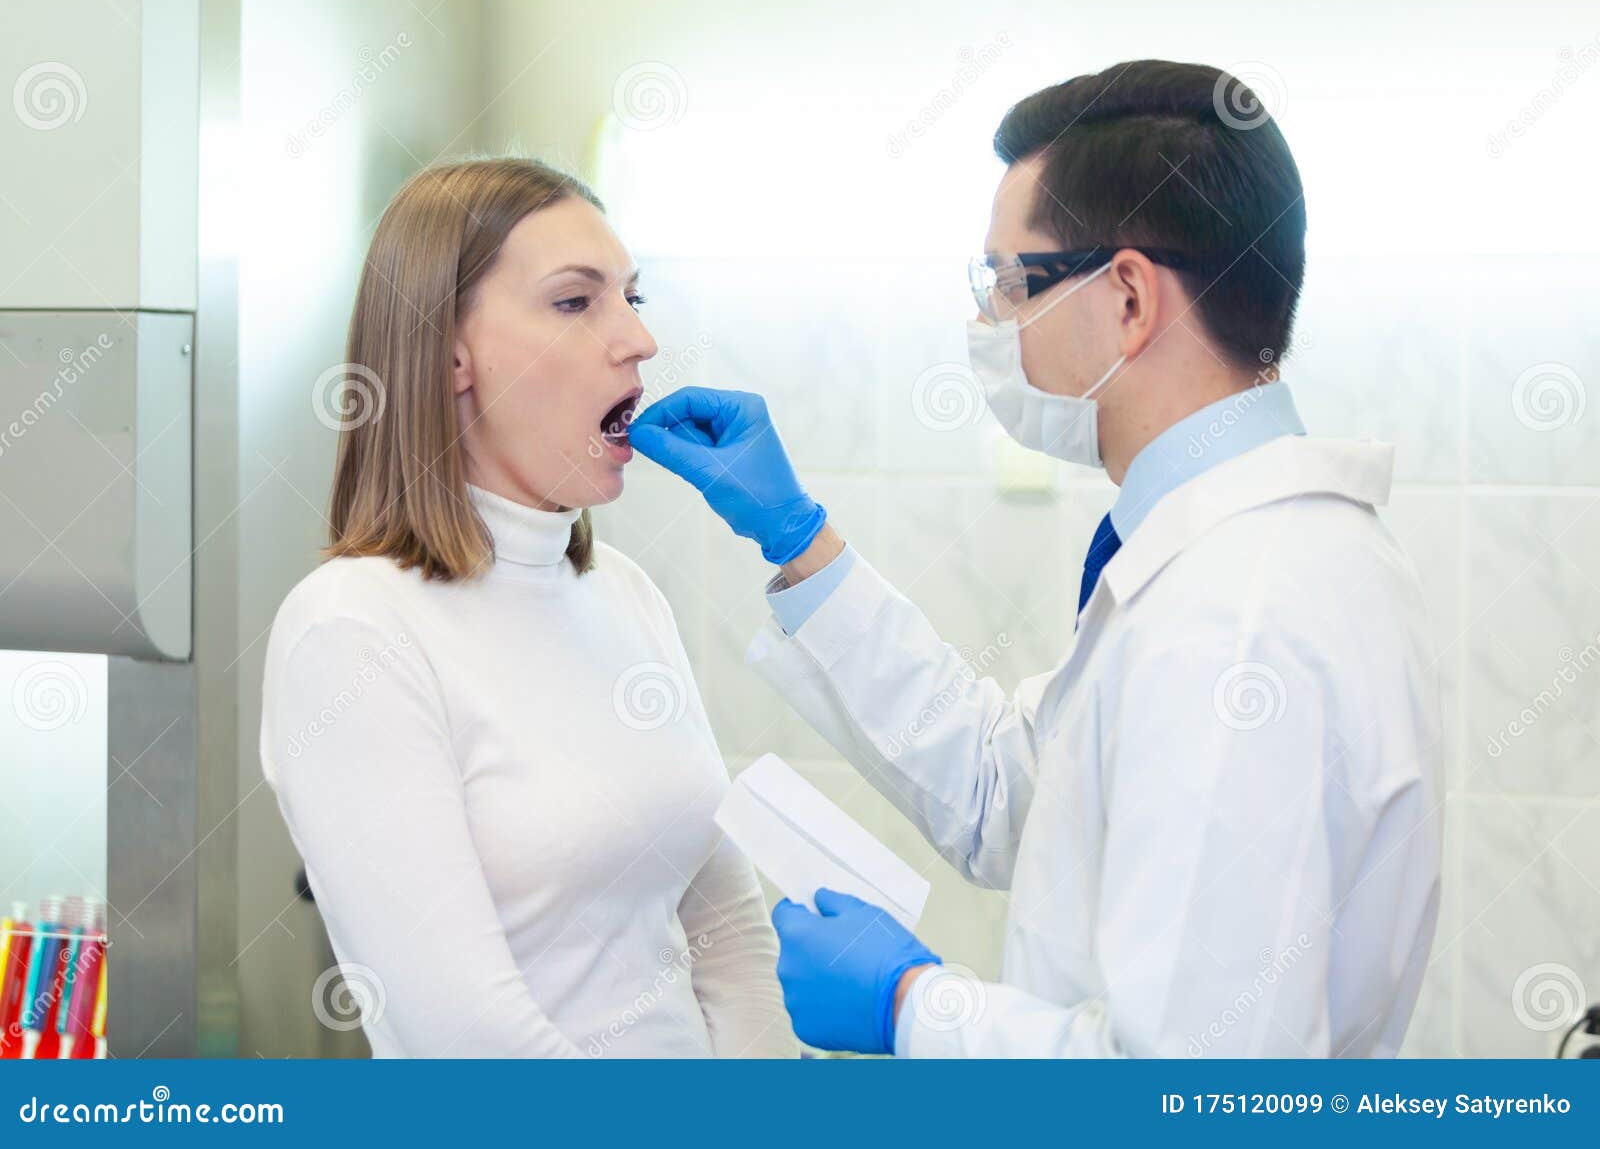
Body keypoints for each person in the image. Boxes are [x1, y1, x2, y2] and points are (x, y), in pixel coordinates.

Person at [629, 60, 1442, 1057]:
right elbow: (1016, 790)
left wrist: (913, 1005)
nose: (987, 323)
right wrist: (801, 543)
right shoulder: (1239, 559)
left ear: (1130, 298)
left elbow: (1194, 1084)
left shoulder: (1234, 616)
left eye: (1010, 283)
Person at [259, 157, 796, 1058]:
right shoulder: (351, 632)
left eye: (633, 296)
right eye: (576, 302)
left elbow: (729, 933)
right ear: (449, 353)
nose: (638, 340)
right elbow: (469, 1041)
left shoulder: (623, 594)